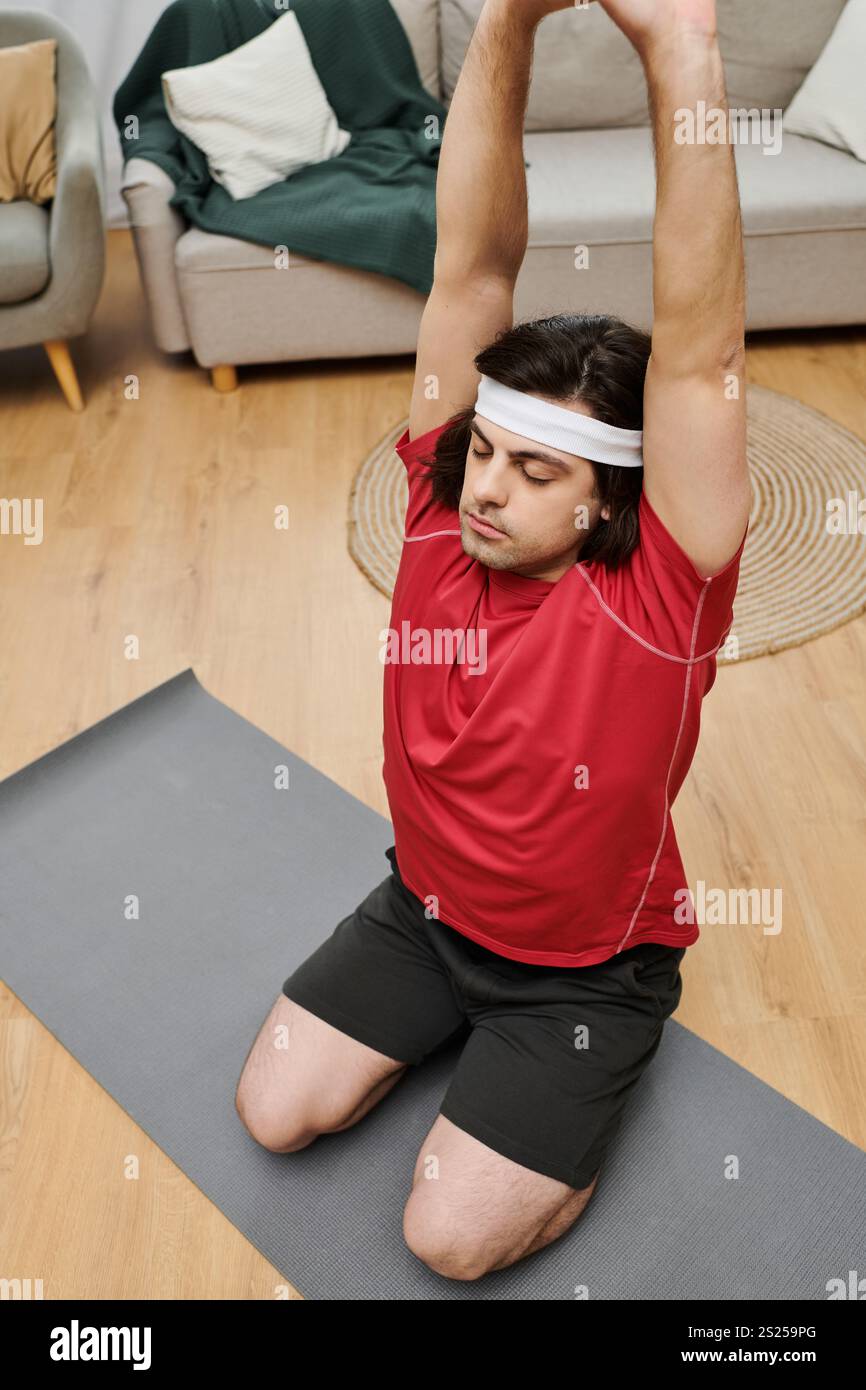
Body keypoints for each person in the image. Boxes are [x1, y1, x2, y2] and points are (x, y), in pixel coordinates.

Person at [236, 0, 751, 1282]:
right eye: (482, 451)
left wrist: (678, 47)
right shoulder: (432, 512)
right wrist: (508, 19)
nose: (484, 490)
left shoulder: (659, 591)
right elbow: (469, 265)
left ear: (608, 502)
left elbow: (700, 359)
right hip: (423, 909)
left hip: (582, 972)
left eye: (533, 472)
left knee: (447, 1240)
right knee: (273, 1112)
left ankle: (574, 1090)